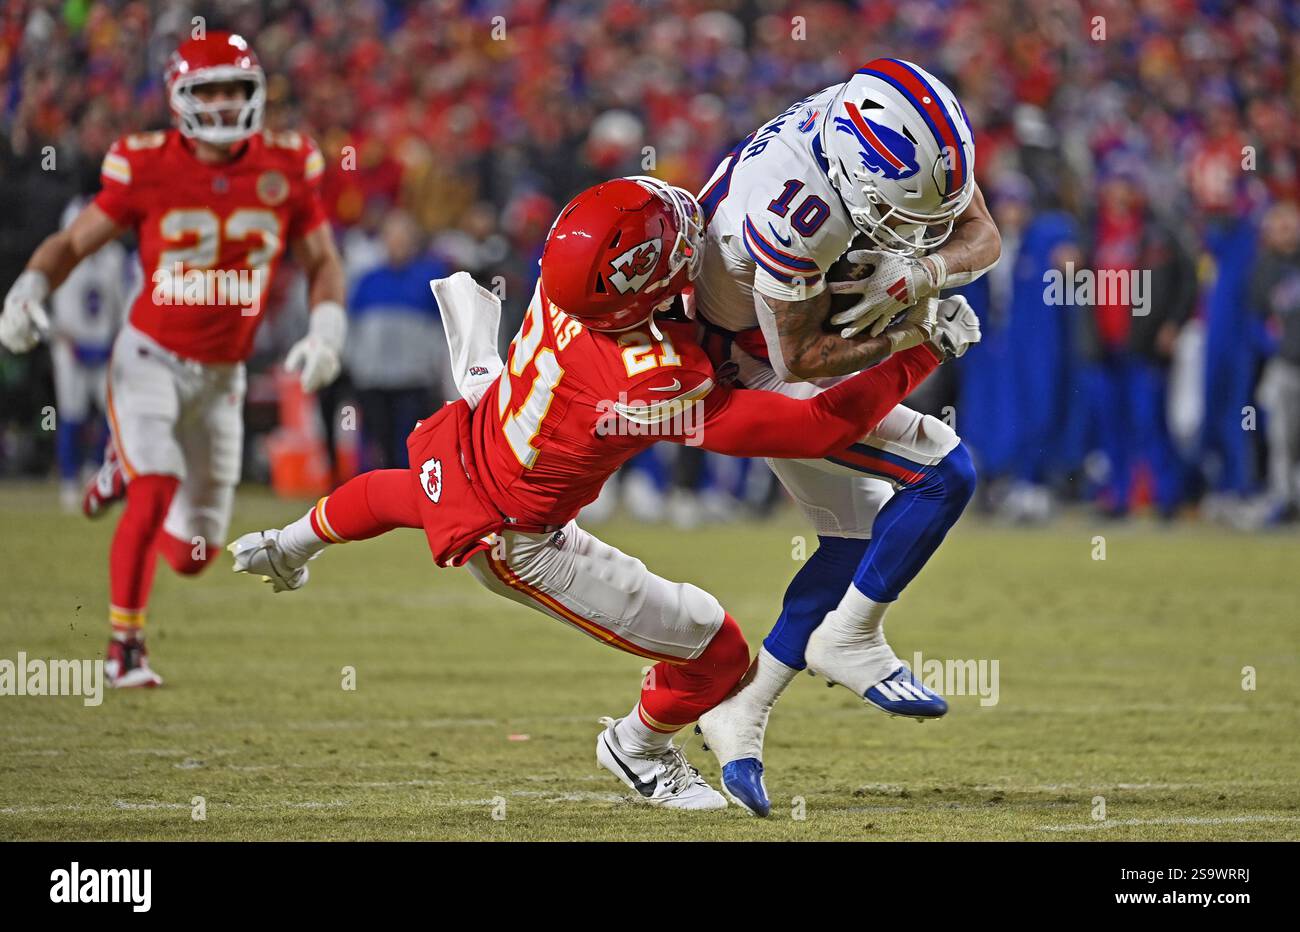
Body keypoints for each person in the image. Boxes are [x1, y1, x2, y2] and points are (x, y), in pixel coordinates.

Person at [229, 176, 980, 810]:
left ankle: (284, 550)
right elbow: (815, 427)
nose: (693, 236)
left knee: (416, 494)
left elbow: (395, 496)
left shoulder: (568, 296)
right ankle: (637, 749)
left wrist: (291, 543)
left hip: (480, 441)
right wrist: (917, 352)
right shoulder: (648, 379)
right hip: (521, 539)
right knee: (719, 655)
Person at [690, 59, 1000, 815]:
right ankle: (850, 638)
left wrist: (919, 273)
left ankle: (739, 710)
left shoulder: (891, 131)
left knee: (857, 537)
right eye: (900, 216)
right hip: (738, 360)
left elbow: (980, 234)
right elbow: (799, 359)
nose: (916, 227)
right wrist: (914, 331)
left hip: (788, 333)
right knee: (942, 472)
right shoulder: (793, 208)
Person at [0, 32, 347, 687]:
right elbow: (74, 242)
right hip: (150, 357)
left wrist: (328, 327)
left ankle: (119, 473)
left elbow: (322, 258)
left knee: (193, 553)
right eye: (207, 90)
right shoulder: (146, 164)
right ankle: (124, 647)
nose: (222, 104)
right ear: (179, 98)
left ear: (258, 94)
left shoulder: (288, 163)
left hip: (223, 377)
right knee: (157, 484)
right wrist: (31, 285)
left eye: (235, 89)